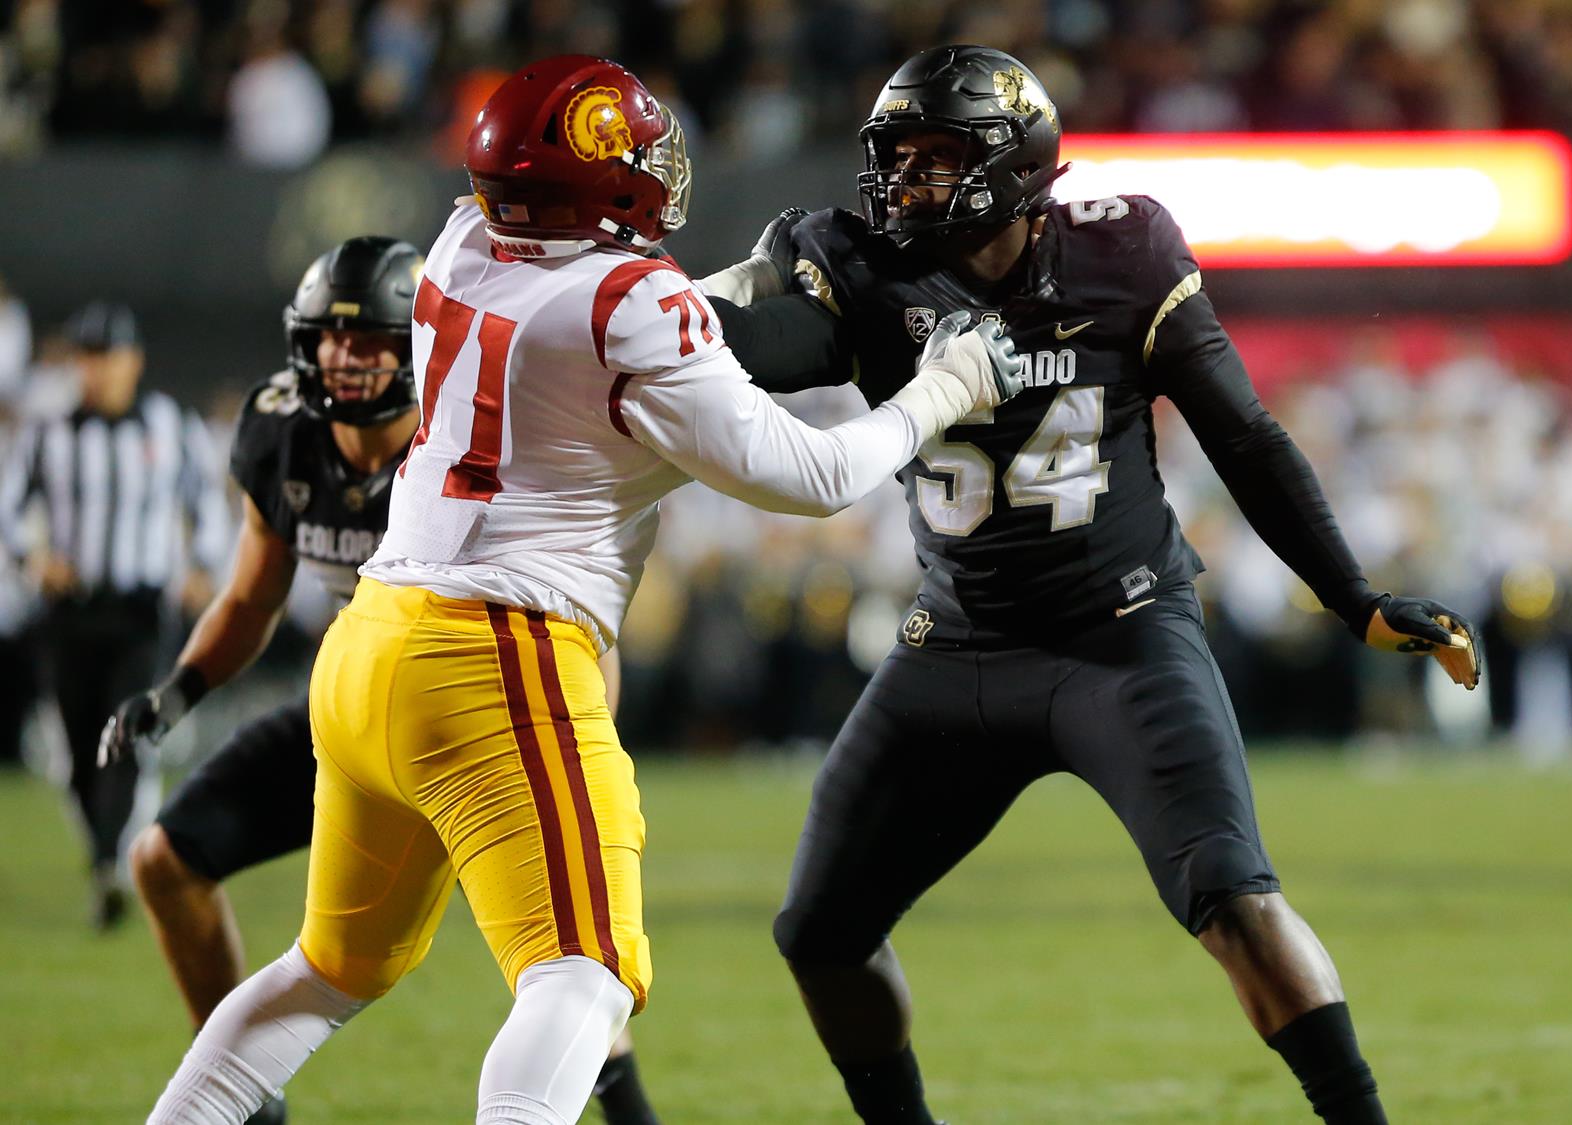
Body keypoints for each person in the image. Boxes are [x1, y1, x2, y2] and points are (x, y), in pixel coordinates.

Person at [143, 53, 1022, 1125]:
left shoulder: (464, 241)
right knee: (583, 975)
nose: (653, 164)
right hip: (493, 657)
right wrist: (944, 388)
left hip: (370, 645)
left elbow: (612, 345)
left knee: (329, 968)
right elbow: (817, 476)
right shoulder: (629, 298)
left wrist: (727, 304)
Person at [711, 46, 1479, 1124]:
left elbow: (1244, 438)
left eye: (938, 156)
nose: (907, 181)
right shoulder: (863, 262)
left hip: (1119, 639)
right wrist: (651, 317)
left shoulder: (1122, 250)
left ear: (1014, 168)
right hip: (955, 649)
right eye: (898, 155)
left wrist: (1350, 596)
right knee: (818, 935)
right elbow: (773, 348)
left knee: (1236, 904)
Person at [101, 236, 662, 1125]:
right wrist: (179, 689)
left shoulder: (477, 433)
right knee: (167, 863)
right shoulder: (284, 430)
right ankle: (248, 1094)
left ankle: (632, 1112)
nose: (344, 358)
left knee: (559, 943)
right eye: (330, 337)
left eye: (368, 341)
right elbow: (252, 593)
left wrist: (571, 759)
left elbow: (574, 623)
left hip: (494, 708)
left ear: (422, 348)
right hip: (359, 708)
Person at [0, 299, 228, 929]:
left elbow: (206, 501)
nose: (96, 371)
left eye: (107, 357)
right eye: (86, 358)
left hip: (142, 608)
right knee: (76, 745)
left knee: (125, 730)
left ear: (133, 361)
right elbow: (11, 509)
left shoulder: (169, 426)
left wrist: (204, 566)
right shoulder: (47, 434)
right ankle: (108, 850)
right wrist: (32, 559)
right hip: (71, 610)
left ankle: (106, 862)